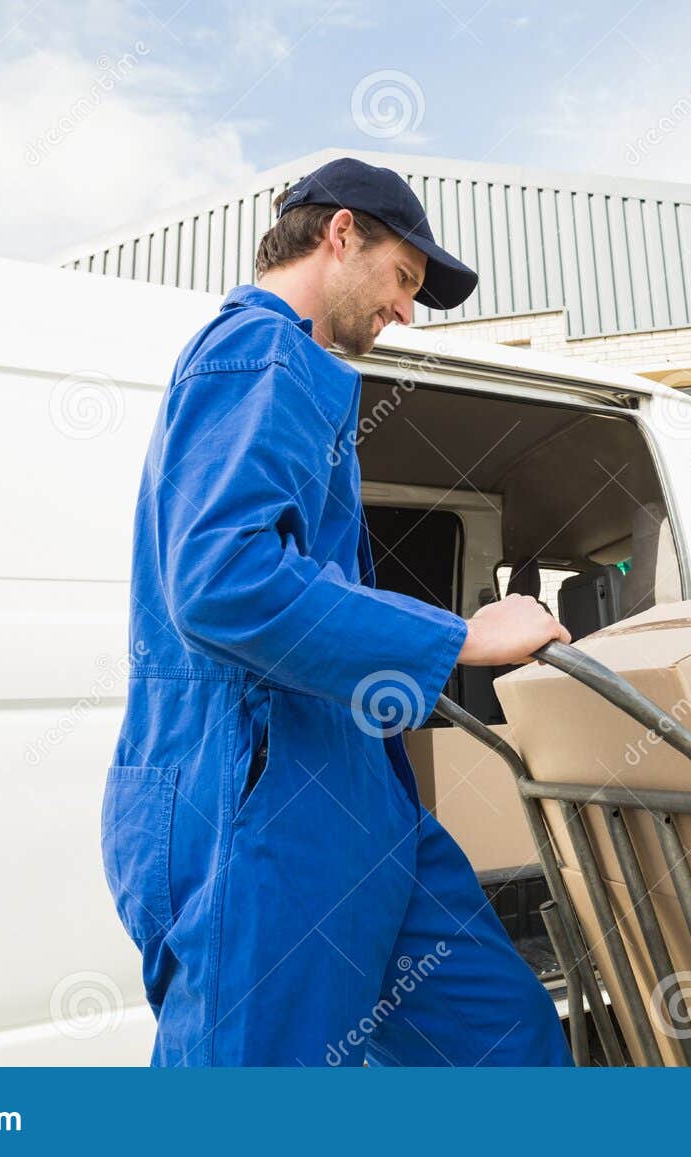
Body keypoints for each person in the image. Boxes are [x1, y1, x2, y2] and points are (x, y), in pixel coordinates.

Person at [100, 157, 573, 1067]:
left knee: (510, 1044)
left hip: (358, 802)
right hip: (267, 814)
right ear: (342, 232)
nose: (404, 310)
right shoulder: (259, 351)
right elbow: (223, 579)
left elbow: (299, 585)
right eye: (403, 278)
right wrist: (463, 634)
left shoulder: (298, 372)